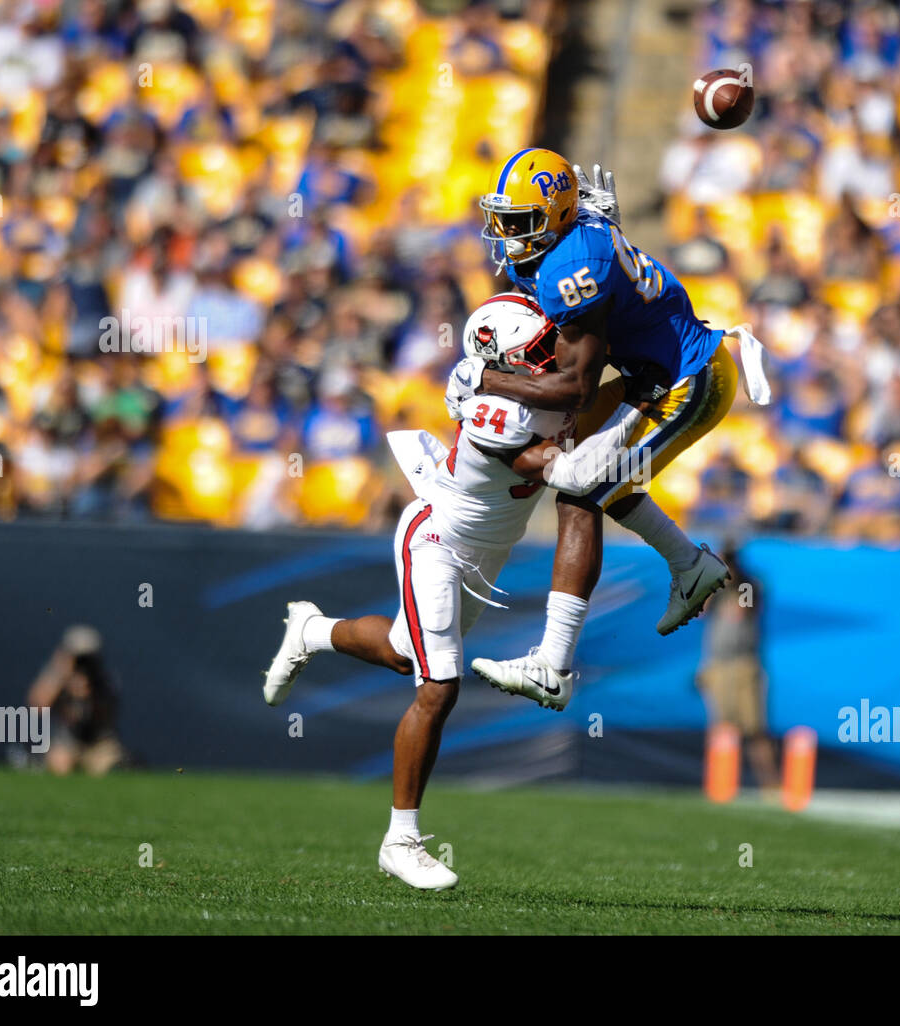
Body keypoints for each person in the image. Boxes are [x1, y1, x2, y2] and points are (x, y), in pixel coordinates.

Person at [261, 295, 691, 891]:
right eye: (539, 351)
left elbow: (593, 393)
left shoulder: (538, 386)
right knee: (438, 685)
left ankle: (311, 630)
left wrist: (650, 381)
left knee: (400, 651)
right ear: (500, 361)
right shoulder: (496, 411)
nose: (557, 356)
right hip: (436, 537)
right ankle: (401, 839)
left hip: (486, 550)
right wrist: (634, 414)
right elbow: (569, 472)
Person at [451, 149, 772, 694]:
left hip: (685, 381)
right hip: (653, 373)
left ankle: (552, 666)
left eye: (521, 221)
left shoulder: (570, 267)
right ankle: (689, 565)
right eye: (503, 218)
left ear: (555, 216)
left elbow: (576, 388)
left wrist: (485, 380)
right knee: (583, 461)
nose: (506, 233)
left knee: (581, 491)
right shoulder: (571, 238)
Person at [696, 543, 779, 793]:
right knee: (720, 727)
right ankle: (718, 784)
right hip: (719, 663)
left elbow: (743, 611)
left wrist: (733, 581)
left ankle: (771, 785)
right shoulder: (714, 588)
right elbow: (700, 611)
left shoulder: (747, 585)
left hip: (744, 663)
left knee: (755, 729)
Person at [26, 625, 124, 776]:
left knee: (108, 771)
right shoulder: (59, 677)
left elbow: (104, 716)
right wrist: (59, 674)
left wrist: (88, 694)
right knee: (58, 764)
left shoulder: (104, 681)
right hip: (67, 740)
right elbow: (37, 705)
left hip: (98, 743)